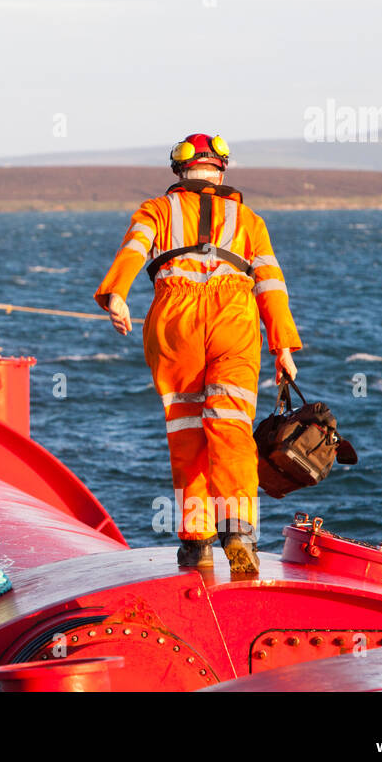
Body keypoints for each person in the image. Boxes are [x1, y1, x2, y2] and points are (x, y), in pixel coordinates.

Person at [93, 133, 301, 573]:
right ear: (221, 171)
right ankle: (238, 531)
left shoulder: (157, 209)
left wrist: (116, 294)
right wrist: (283, 345)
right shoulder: (249, 220)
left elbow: (134, 249)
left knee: (187, 431)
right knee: (231, 426)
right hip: (233, 320)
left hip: (175, 321)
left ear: (180, 171)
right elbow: (270, 284)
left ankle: (196, 542)